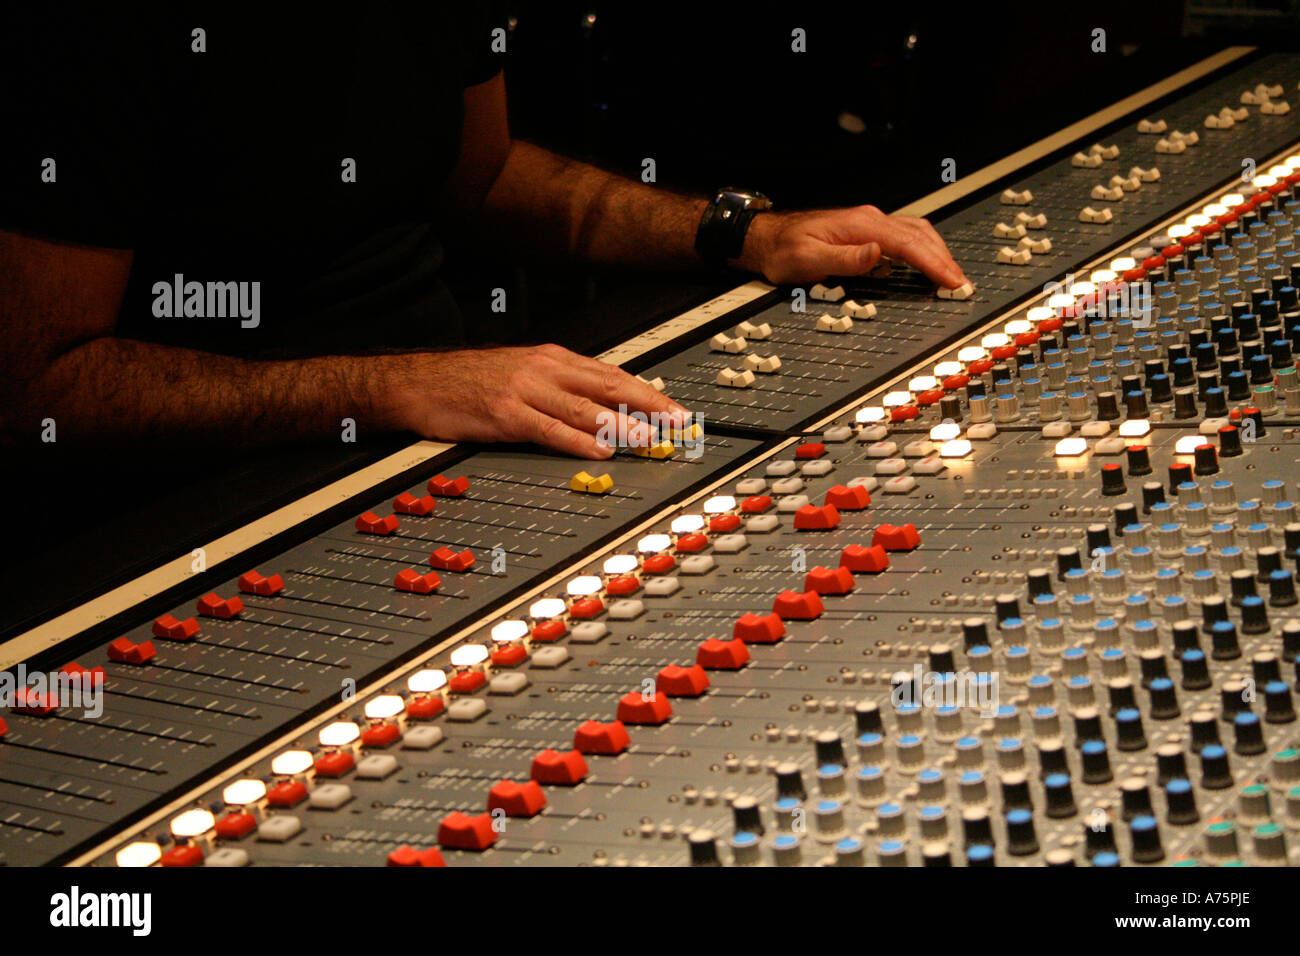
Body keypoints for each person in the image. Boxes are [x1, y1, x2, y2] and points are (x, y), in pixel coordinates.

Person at [0, 5, 967, 461]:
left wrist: (741, 232)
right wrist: (393, 382)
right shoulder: (88, 29)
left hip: (454, 420)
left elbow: (489, 175)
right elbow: (40, 381)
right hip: (189, 506)